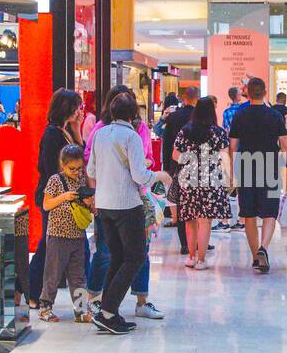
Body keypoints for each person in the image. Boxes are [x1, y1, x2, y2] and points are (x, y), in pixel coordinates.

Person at [86, 90, 171, 335]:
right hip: (127, 205)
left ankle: (106, 312)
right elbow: (140, 175)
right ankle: (109, 311)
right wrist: (160, 176)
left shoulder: (100, 133)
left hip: (104, 204)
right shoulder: (131, 137)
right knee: (134, 257)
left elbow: (91, 170)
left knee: (117, 256)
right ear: (133, 114)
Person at [229, 76, 287, 274]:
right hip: (269, 165)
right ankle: (264, 247)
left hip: (246, 165)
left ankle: (256, 257)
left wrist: (231, 172)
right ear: (265, 92)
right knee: (269, 213)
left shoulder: (240, 115)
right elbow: (285, 145)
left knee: (248, 213)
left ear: (248, 92)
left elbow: (232, 146)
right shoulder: (275, 116)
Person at [28, 89, 84, 309]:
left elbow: (80, 154)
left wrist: (77, 130)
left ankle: (35, 293)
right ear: (67, 108)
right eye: (76, 107)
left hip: (67, 197)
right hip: (54, 196)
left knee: (64, 249)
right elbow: (47, 166)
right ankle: (31, 292)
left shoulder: (64, 131)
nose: (79, 111)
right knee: (48, 246)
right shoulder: (52, 134)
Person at [174, 95, 231, 270]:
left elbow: (175, 155)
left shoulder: (186, 130)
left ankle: (191, 257)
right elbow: (225, 157)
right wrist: (228, 178)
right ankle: (201, 260)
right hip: (211, 180)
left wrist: (192, 161)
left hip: (189, 179)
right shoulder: (218, 132)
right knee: (205, 221)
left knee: (190, 220)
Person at [38, 145, 94, 324]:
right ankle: (45, 307)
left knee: (78, 275)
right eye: (72, 169)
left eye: (79, 168)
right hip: (58, 235)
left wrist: (88, 203)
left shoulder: (82, 180)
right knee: (53, 274)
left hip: (77, 234)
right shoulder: (55, 180)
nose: (77, 172)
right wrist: (64, 196)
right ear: (63, 164)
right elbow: (46, 205)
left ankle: (81, 310)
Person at [162, 86, 198, 253]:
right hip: (197, 166)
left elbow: (167, 142)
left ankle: (184, 243)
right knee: (197, 204)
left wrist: (168, 165)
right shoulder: (199, 117)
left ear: (183, 97)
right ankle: (197, 241)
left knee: (181, 203)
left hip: (177, 164)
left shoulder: (174, 117)